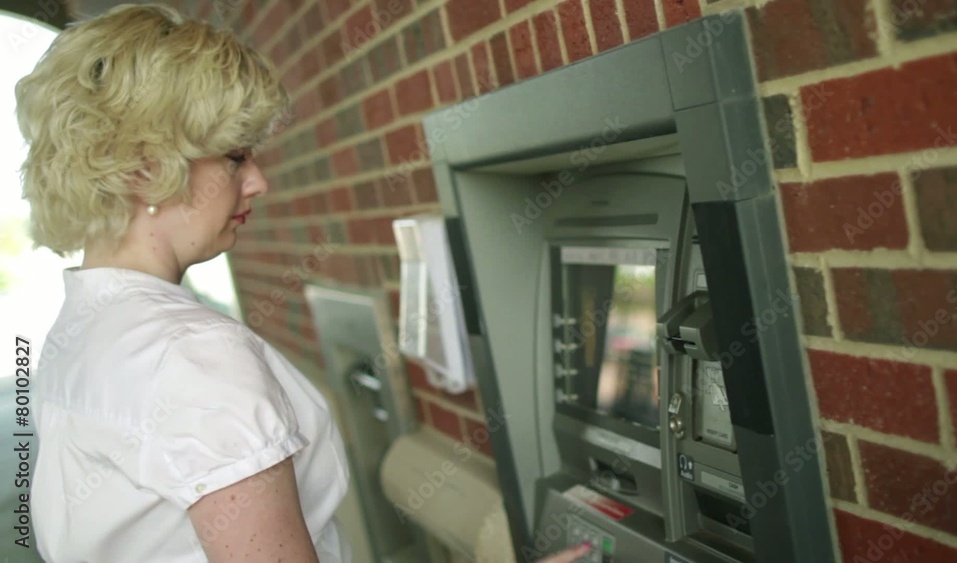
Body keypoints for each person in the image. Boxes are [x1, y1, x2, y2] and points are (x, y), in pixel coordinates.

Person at [16, 3, 591, 562]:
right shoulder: (190, 355)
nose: (259, 181)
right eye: (235, 157)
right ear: (144, 168)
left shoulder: (81, 330)